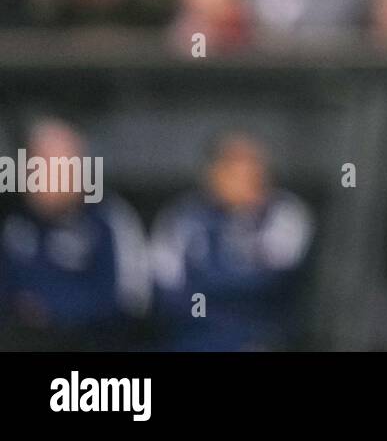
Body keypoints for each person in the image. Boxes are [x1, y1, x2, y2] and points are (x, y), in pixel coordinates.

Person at [150, 132, 314, 350]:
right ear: (212, 172)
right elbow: (167, 294)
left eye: (254, 164)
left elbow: (268, 285)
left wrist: (205, 284)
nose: (248, 173)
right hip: (192, 337)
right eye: (234, 164)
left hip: (261, 337)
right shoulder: (181, 217)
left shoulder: (285, 213)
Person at [0, 118, 150, 350]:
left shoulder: (109, 219)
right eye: (38, 164)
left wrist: (57, 313)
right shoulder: (14, 223)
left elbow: (132, 302)